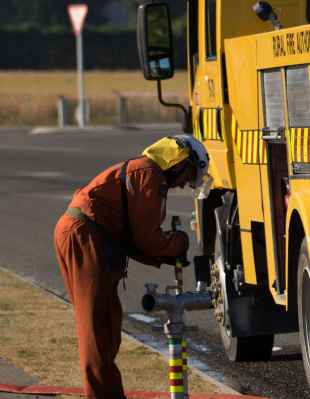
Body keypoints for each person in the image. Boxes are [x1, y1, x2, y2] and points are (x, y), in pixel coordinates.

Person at [54, 134, 208, 399]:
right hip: (85, 237)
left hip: (84, 236)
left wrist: (165, 254)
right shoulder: (151, 175)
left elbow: (137, 241)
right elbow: (147, 238)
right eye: (189, 174)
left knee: (108, 323)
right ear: (179, 162)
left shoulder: (145, 172)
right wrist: (178, 243)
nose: (184, 183)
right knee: (96, 328)